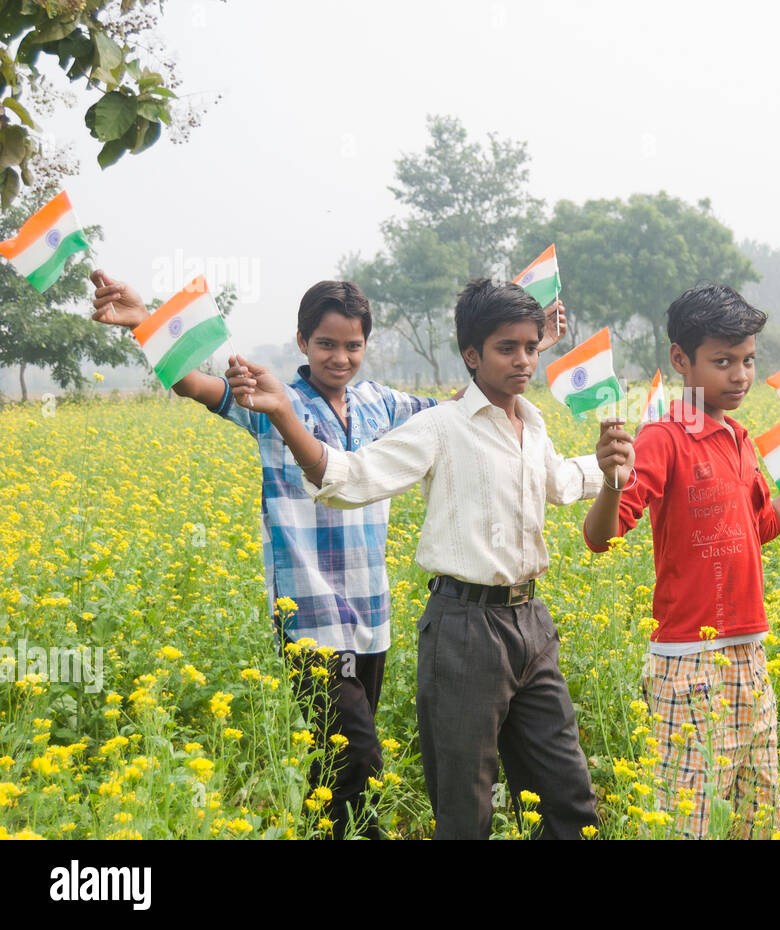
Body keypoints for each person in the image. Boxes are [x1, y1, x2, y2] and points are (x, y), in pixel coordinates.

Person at [90, 271, 563, 839]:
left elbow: (469, 402)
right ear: (302, 343)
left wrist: (526, 349)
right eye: (326, 345)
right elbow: (193, 384)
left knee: (335, 759)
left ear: (366, 346)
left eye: (353, 346)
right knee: (357, 751)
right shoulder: (272, 402)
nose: (340, 358)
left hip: (370, 613)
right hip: (309, 616)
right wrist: (145, 321)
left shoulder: (383, 405)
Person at [226, 278, 600, 840]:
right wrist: (283, 411)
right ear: (471, 356)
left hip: (530, 621)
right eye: (508, 348)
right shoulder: (440, 428)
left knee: (567, 796)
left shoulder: (531, 424)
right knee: (462, 801)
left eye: (531, 347)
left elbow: (564, 482)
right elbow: (344, 478)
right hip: (465, 626)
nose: (524, 360)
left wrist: (620, 461)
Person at [583, 283, 780, 839]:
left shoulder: (738, 437)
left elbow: (760, 528)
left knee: (756, 816)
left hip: (750, 655)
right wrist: (612, 485)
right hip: (688, 662)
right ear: (680, 359)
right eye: (723, 361)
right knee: (687, 821)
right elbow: (600, 538)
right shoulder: (663, 436)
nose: (739, 375)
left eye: (749, 360)